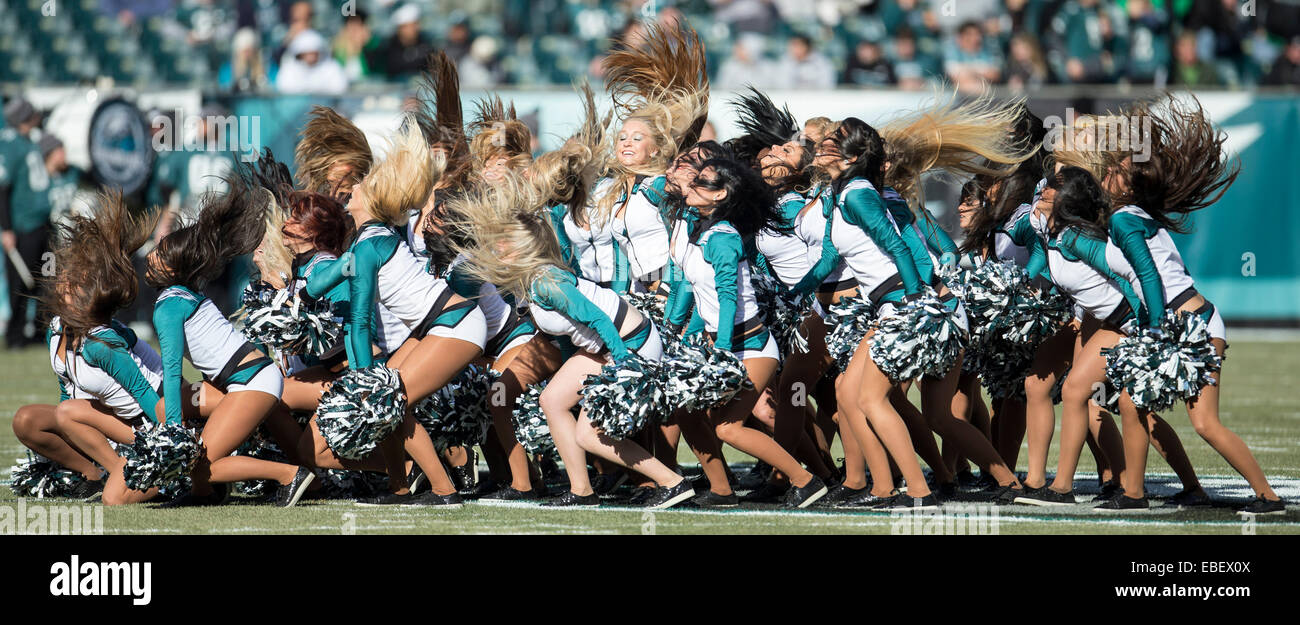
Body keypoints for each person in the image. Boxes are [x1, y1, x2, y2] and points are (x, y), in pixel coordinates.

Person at [1, 97, 49, 349]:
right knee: (20, 283)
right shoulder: (9, 144)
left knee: (45, 279)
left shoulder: (29, 141)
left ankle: (42, 332)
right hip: (23, 226)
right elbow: (2, 188)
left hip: (42, 223)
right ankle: (16, 335)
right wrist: (6, 227)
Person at [276, 29, 349, 95]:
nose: (311, 57)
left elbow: (340, 87)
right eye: (307, 53)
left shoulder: (331, 67)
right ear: (300, 53)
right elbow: (284, 89)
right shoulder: (289, 69)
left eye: (313, 52)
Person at [375, 4, 435, 81]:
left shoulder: (426, 44)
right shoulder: (388, 47)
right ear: (399, 28)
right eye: (408, 26)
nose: (413, 29)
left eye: (415, 25)